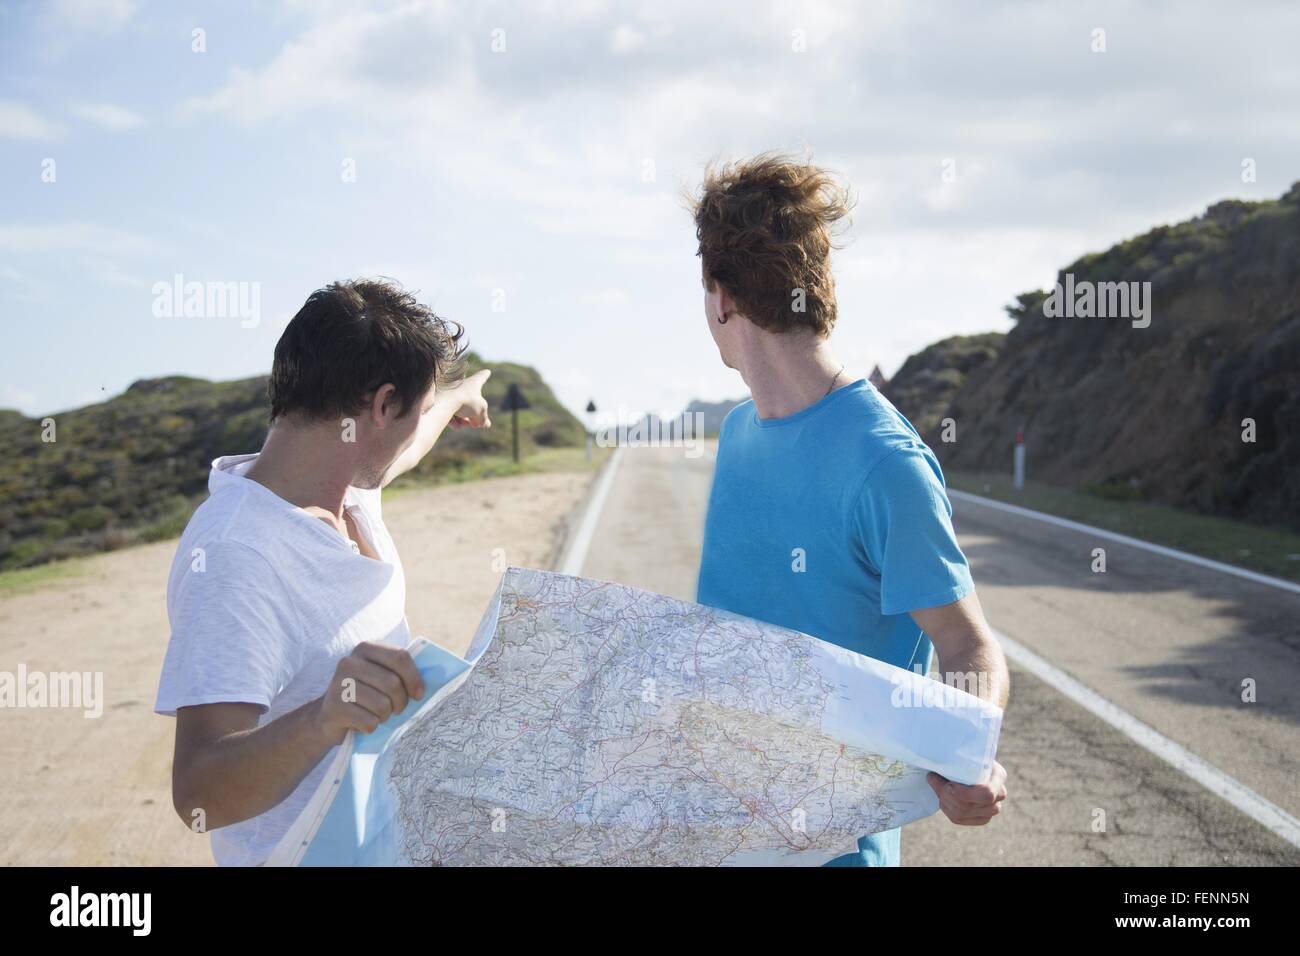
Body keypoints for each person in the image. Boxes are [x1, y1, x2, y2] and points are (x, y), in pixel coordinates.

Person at [690, 154, 1010, 866]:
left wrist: (970, 756)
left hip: (835, 852)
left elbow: (967, 645)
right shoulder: (739, 432)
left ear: (721, 297)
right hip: (724, 832)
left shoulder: (885, 463)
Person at [153, 278, 491, 866]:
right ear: (383, 405)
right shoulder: (238, 554)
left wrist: (457, 395)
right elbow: (198, 791)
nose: (415, 431)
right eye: (409, 409)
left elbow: (405, 447)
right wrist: (324, 718)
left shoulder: (346, 488)